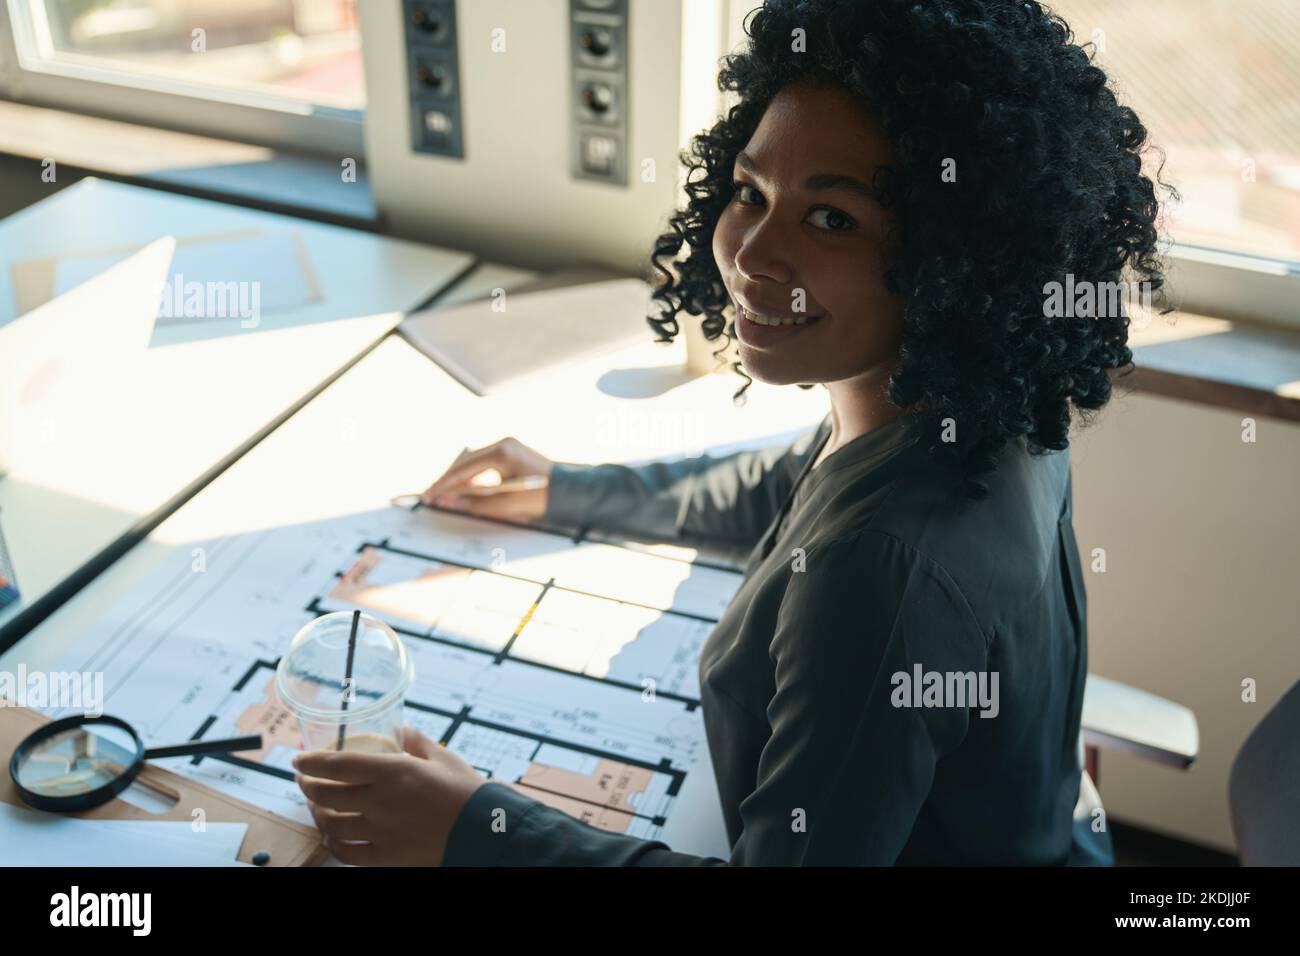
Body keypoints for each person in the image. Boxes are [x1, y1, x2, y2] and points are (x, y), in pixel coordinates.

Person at [292, 0, 1172, 865]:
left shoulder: (883, 570)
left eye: (832, 218)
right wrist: (572, 487)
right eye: (750, 191)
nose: (750, 253)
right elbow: (788, 485)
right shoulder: (971, 411)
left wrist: (476, 833)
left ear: (955, 257)